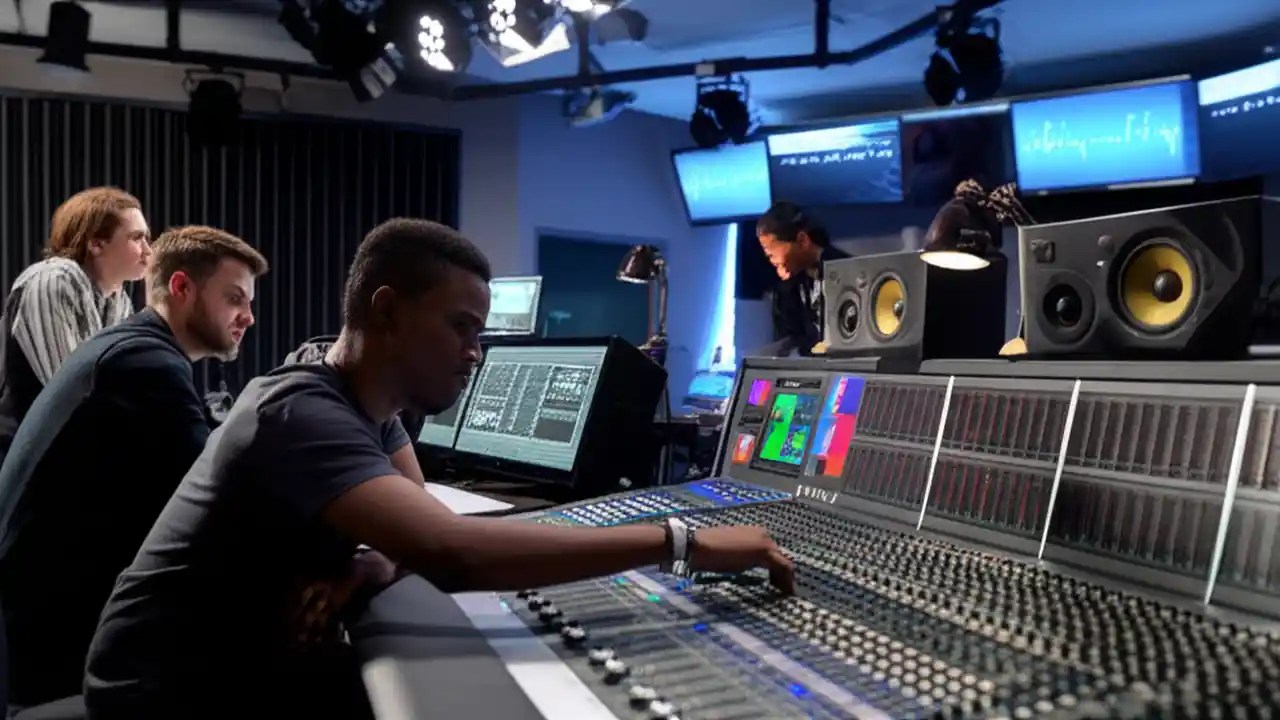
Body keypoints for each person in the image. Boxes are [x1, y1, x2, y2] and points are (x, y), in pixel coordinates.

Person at [83, 218, 795, 720]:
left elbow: (419, 518)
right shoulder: (301, 412)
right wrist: (681, 542)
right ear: (388, 312)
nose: (476, 353)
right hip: (163, 689)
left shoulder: (361, 395)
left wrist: (373, 564)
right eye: (461, 327)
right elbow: (453, 552)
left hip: (239, 659)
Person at [0, 225, 268, 709]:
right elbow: (215, 505)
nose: (248, 317)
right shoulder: (146, 365)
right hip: (52, 650)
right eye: (234, 299)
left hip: (39, 627)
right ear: (182, 287)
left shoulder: (133, 348)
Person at [0, 187, 152, 461]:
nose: (148, 251)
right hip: (19, 459)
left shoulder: (117, 299)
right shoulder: (54, 279)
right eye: (136, 238)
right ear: (96, 244)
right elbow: (71, 392)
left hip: (62, 456)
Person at [755, 201, 849, 357]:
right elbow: (790, 337)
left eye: (772, 254)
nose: (773, 261)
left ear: (802, 241)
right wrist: (786, 287)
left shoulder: (846, 271)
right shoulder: (793, 283)